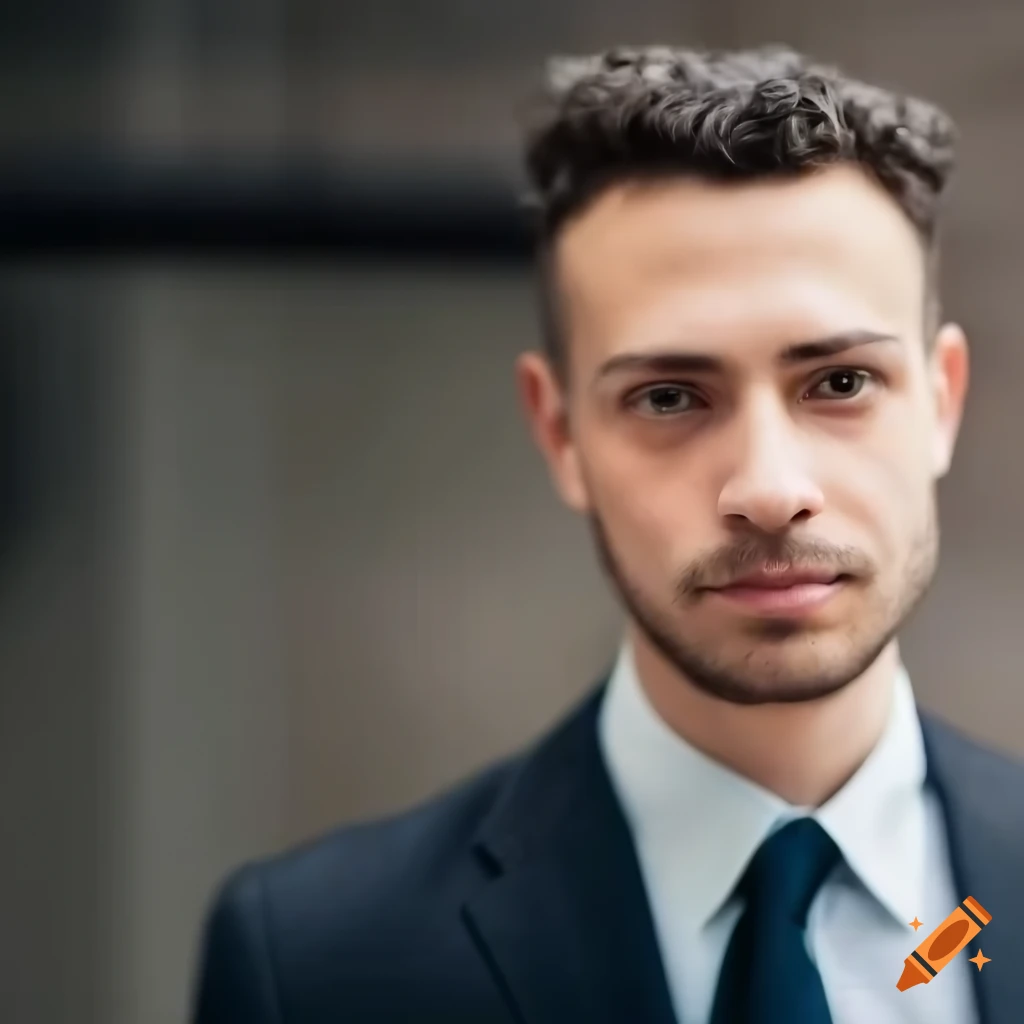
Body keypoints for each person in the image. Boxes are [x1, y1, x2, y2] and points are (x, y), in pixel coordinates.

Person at [191, 45, 1024, 1024]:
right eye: (669, 395)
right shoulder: (319, 965)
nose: (767, 489)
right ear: (560, 433)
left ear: (940, 400)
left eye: (839, 383)